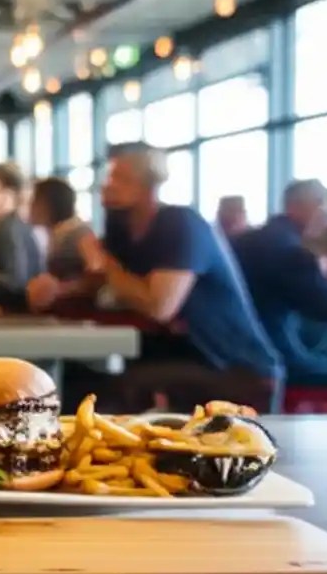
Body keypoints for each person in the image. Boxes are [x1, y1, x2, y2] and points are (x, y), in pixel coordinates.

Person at [70, 142, 282, 411]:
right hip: (182, 359)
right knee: (80, 378)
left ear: (149, 185)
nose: (107, 185)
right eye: (108, 177)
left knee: (111, 390)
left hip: (236, 370)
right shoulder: (122, 231)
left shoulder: (180, 223)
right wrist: (59, 290)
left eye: (119, 178)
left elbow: (159, 306)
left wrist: (103, 261)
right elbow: (106, 283)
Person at [232, 180, 327, 378]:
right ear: (295, 207)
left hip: (238, 351)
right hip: (275, 359)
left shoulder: (252, 239)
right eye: (321, 204)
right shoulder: (288, 250)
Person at [24, 178, 101, 311]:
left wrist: (60, 289)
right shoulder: (57, 235)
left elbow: (98, 272)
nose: (29, 207)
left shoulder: (79, 232)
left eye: (33, 201)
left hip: (81, 318)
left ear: (46, 205)